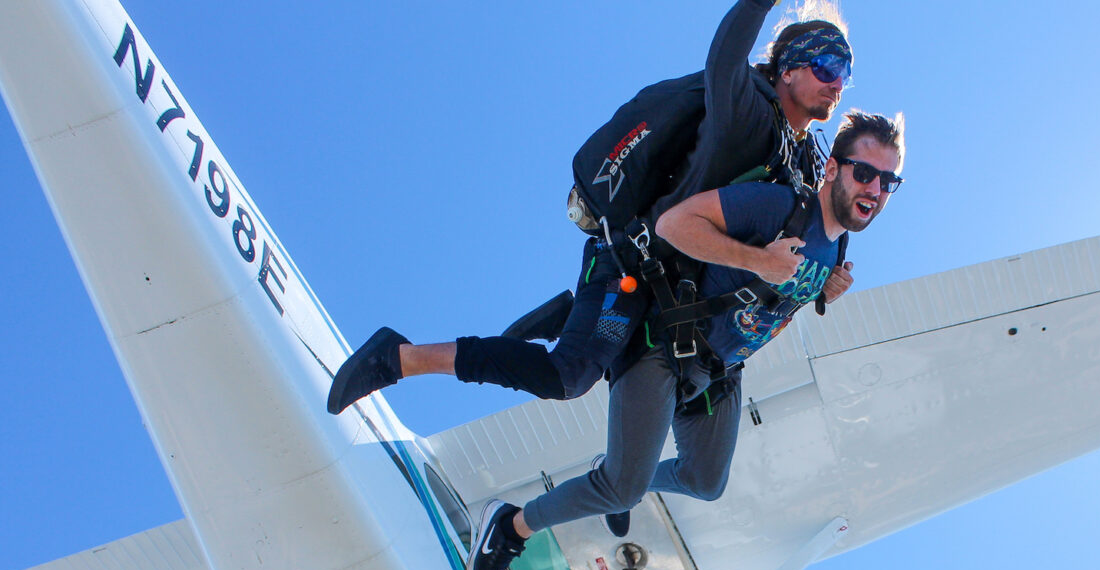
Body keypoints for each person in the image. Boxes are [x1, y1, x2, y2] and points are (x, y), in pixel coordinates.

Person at [327, 2, 855, 416]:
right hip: (633, 264)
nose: (836, 82)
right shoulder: (746, 110)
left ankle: (570, 320)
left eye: (844, 72)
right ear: (788, 69)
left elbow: (803, 235)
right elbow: (724, 58)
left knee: (664, 391)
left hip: (677, 292)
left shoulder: (804, 165)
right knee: (570, 376)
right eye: (826, 65)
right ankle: (398, 357)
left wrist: (823, 281)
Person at [466, 111, 905, 570]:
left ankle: (617, 469)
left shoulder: (837, 245)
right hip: (664, 344)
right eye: (865, 173)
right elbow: (674, 224)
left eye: (888, 182)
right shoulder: (779, 206)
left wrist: (824, 289)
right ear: (833, 169)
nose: (875, 189)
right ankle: (510, 525)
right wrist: (760, 260)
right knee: (621, 488)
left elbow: (776, 291)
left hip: (719, 372)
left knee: (704, 480)